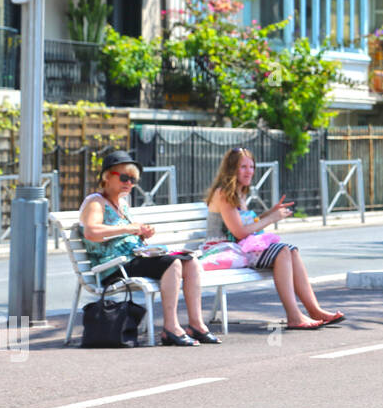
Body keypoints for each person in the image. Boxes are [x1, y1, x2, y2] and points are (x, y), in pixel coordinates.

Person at [79, 149, 217, 346]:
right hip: (113, 267)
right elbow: (91, 231)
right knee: (174, 263)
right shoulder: (96, 202)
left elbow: (121, 233)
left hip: (131, 260)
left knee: (191, 262)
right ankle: (171, 327)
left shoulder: (121, 203)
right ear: (107, 177)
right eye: (125, 177)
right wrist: (128, 228)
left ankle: (196, 324)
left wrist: (141, 232)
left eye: (133, 180)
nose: (129, 184)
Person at [202, 148, 343, 330]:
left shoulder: (240, 193)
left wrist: (270, 213)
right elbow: (239, 232)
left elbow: (245, 227)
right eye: (243, 167)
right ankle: (294, 316)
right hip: (222, 250)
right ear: (231, 169)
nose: (249, 171)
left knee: (291, 250)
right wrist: (271, 219)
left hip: (239, 248)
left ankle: (314, 310)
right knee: (282, 251)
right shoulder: (224, 193)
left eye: (251, 167)